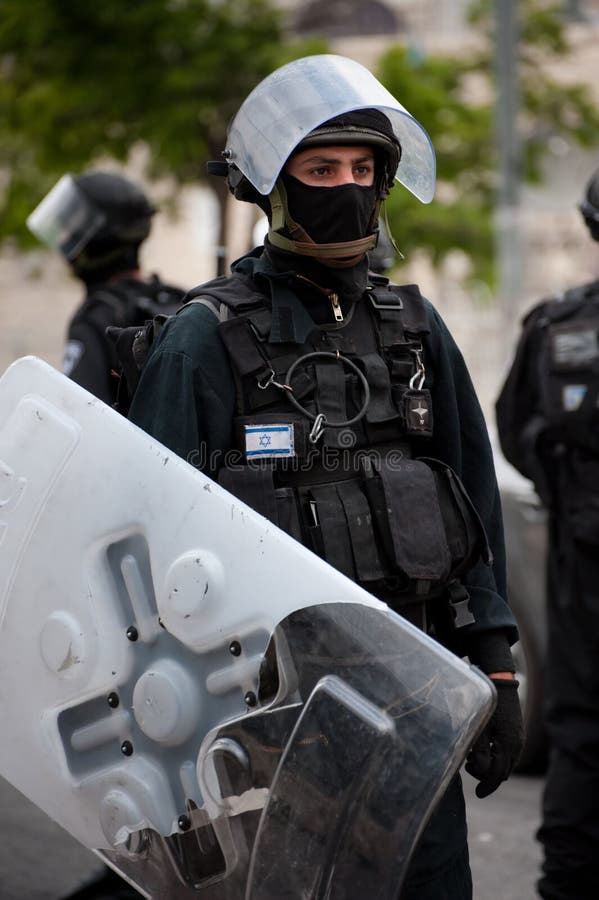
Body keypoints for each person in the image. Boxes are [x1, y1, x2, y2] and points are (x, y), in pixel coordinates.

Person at [128, 54, 524, 900]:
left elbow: (474, 507)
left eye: (360, 169)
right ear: (274, 184)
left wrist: (494, 668)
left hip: (417, 705)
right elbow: (149, 542)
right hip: (269, 720)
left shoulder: (414, 329)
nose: (345, 186)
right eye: (319, 169)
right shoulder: (203, 338)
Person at [496, 167, 599, 900]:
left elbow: (512, 428)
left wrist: (567, 493)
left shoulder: (555, 326)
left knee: (580, 740)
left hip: (581, 569)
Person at [26, 170, 186, 407]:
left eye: (75, 229)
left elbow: (75, 413)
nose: (65, 240)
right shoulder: (178, 299)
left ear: (100, 238)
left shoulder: (97, 317)